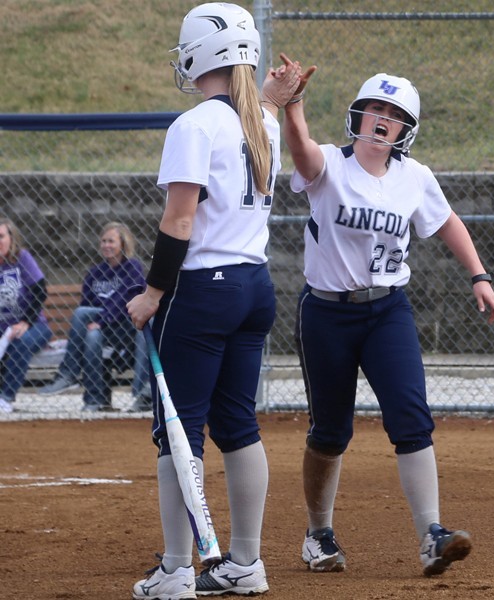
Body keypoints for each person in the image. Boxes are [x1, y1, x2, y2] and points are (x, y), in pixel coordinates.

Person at [277, 55, 494, 577]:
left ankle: (432, 535)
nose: (381, 117)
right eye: (373, 107)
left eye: (393, 112)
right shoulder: (331, 164)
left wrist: (479, 275)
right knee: (330, 433)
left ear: (406, 128)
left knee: (410, 416)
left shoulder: (415, 177)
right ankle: (318, 534)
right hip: (327, 315)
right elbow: (303, 154)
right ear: (357, 115)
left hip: (387, 311)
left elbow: (447, 222)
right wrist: (294, 105)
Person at [125, 4, 299, 598]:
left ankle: (177, 569)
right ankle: (245, 562)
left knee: (178, 431)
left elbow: (179, 221)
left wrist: (151, 293)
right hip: (254, 286)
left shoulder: (195, 124)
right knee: (237, 424)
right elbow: (257, 113)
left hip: (203, 290)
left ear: (202, 53)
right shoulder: (263, 123)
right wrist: (275, 96)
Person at [38, 222, 148, 412]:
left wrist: (100, 320)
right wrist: (96, 324)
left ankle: (69, 373)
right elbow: (87, 303)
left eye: (111, 241)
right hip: (105, 329)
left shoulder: (132, 267)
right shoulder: (95, 273)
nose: (106, 245)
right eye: (103, 241)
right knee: (91, 336)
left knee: (82, 315)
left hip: (128, 326)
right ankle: (94, 399)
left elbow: (124, 300)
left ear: (123, 243)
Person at [0, 218, 53, 414]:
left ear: (11, 238)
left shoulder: (21, 258)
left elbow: (40, 292)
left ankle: (5, 398)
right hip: (3, 326)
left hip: (34, 325)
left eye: (1, 237)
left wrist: (25, 322)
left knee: (20, 342)